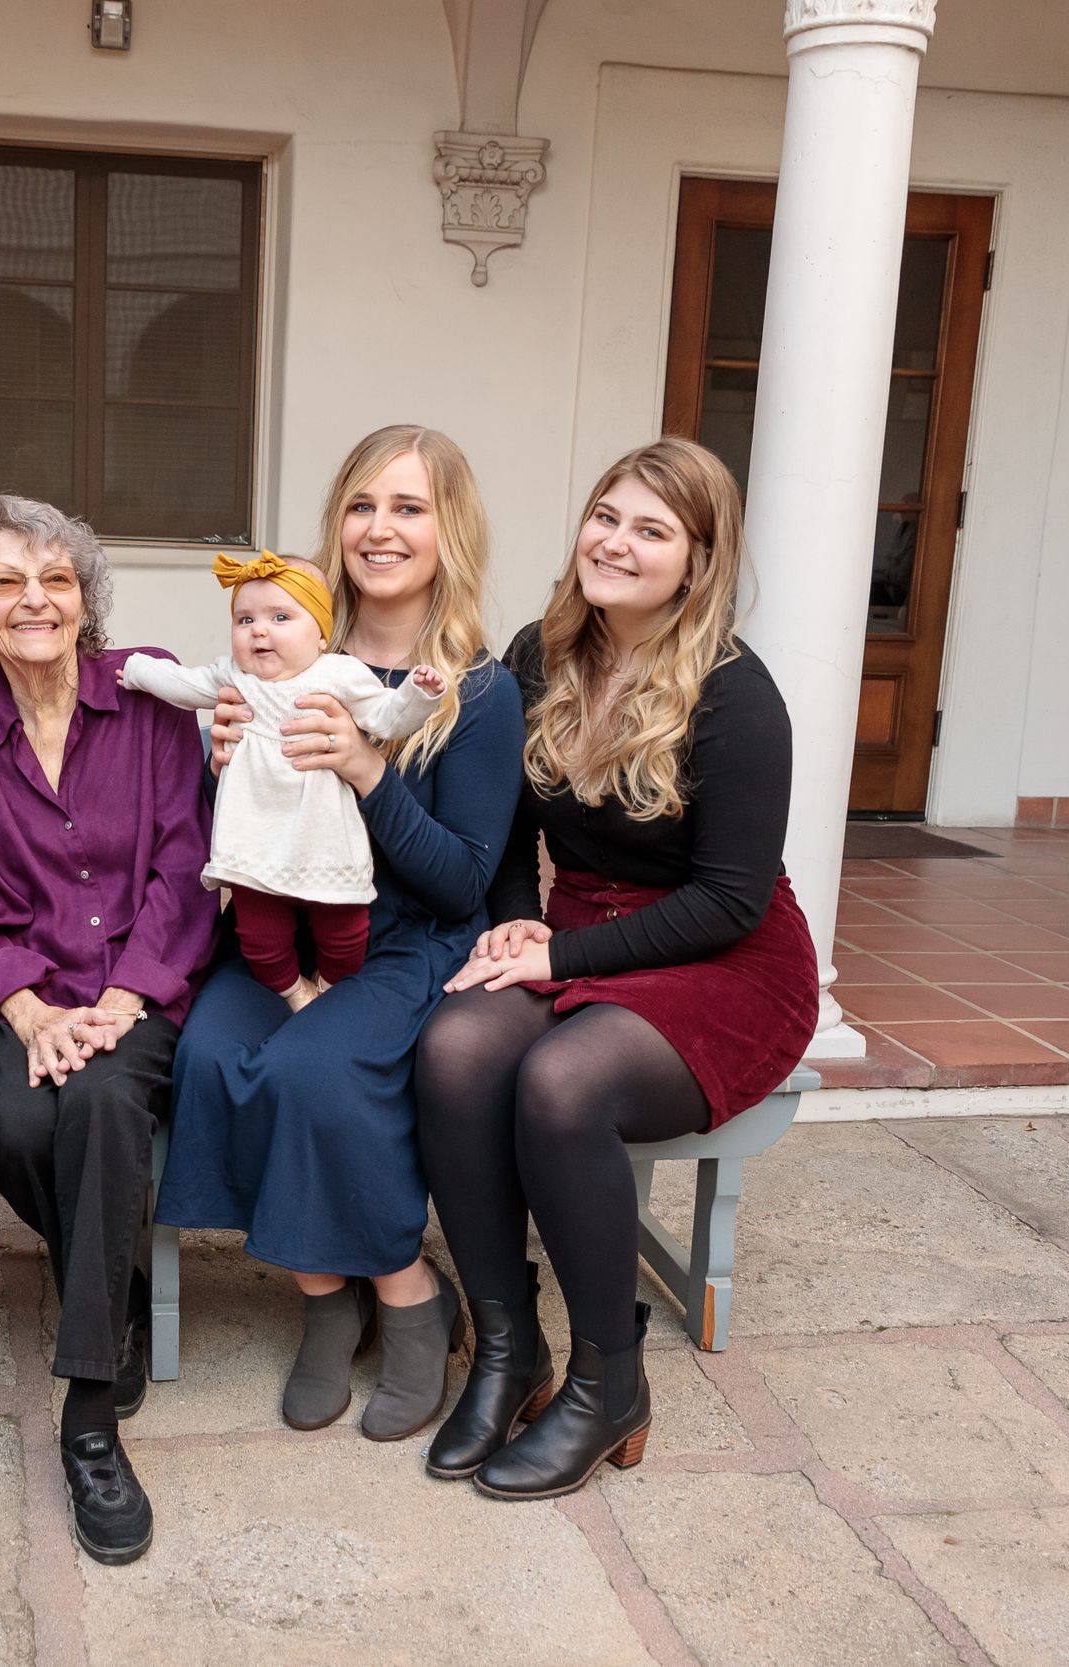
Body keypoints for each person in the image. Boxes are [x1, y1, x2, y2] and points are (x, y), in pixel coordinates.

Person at [415, 437, 817, 1500]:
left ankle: (607, 1382)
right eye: (606, 515)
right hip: (575, 932)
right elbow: (501, 831)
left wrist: (560, 949)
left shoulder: (735, 696)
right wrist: (511, 928)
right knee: (454, 1047)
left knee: (561, 1081)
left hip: (720, 962)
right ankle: (510, 1348)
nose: (616, 542)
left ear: (696, 559)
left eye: (652, 529)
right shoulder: (535, 655)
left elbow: (729, 899)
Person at [156, 425, 524, 1443]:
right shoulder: (286, 645)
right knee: (211, 1051)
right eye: (362, 505)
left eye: (408, 508)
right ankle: (325, 1292)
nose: (380, 528)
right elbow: (228, 829)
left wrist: (367, 770)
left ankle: (408, 1291)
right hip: (287, 930)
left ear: (448, 530)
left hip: (409, 941)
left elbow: (460, 881)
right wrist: (222, 758)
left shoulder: (472, 693)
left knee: (311, 1067)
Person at [0, 493, 219, 1566]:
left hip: (144, 983)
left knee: (101, 1100)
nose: (34, 599)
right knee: (7, 1127)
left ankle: (88, 1410)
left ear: (86, 596)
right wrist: (26, 1006)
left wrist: (129, 995)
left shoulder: (146, 692)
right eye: (6, 580)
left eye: (56, 577)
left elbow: (187, 859)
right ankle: (120, 1285)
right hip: (36, 996)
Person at [120, 552, 447, 1010]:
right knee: (259, 935)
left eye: (280, 617)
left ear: (320, 635)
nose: (259, 629)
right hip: (256, 835)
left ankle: (332, 987)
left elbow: (388, 717)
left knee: (346, 930)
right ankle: (295, 993)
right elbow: (183, 683)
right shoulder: (234, 677)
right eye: (244, 618)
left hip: (323, 833)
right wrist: (137, 671)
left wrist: (417, 693)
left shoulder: (338, 674)